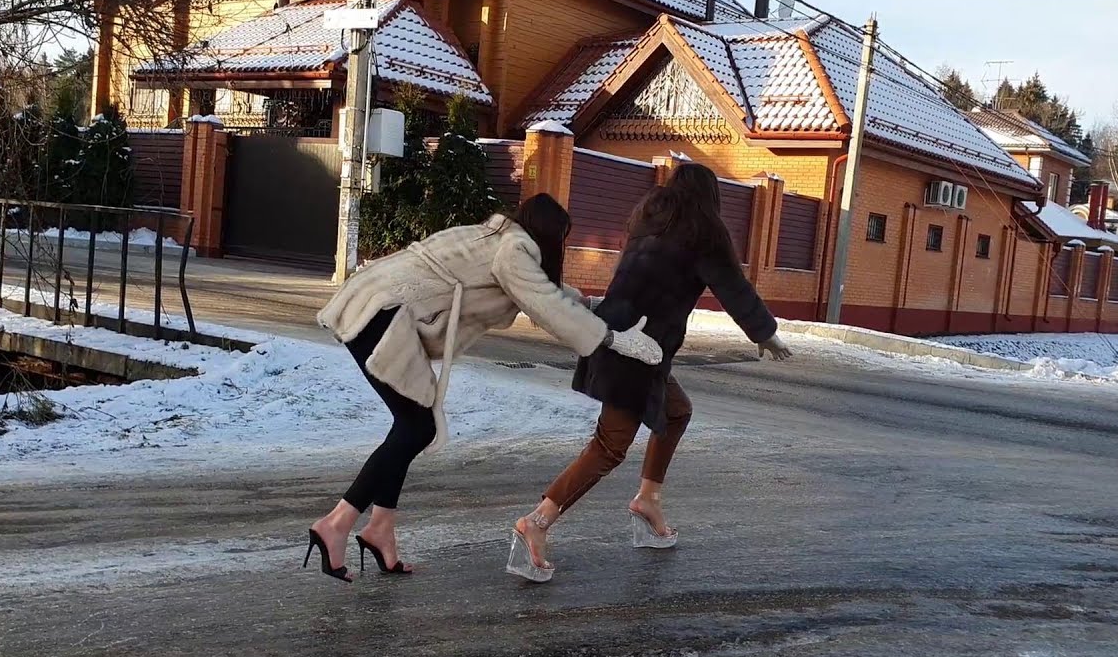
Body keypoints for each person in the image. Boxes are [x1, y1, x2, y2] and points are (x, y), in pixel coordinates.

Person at [307, 194, 663, 582]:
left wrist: (594, 306)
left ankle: (380, 528)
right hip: (382, 314)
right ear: (551, 237)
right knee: (415, 427)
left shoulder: (497, 238)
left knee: (411, 425)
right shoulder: (514, 251)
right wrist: (612, 339)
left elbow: (544, 292)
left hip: (374, 303)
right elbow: (547, 305)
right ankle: (337, 523)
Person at [506, 163, 792, 583]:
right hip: (637, 351)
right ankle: (537, 521)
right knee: (609, 446)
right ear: (710, 198)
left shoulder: (648, 223)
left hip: (618, 336)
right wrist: (765, 334)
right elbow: (733, 286)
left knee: (676, 411)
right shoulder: (703, 232)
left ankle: (648, 499)